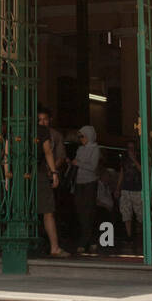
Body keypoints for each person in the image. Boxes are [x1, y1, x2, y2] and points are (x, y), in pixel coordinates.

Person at [37, 107, 68, 257]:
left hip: (44, 174)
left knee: (51, 210)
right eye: (39, 119)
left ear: (50, 120)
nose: (42, 122)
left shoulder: (55, 135)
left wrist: (53, 169)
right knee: (48, 211)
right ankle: (52, 247)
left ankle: (52, 245)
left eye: (45, 119)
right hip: (42, 175)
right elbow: (47, 152)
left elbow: (59, 155)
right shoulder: (40, 132)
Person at [73, 124, 101, 255]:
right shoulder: (80, 149)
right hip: (79, 183)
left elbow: (93, 166)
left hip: (90, 183)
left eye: (82, 136)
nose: (81, 139)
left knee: (89, 211)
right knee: (80, 211)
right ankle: (88, 239)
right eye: (79, 137)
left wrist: (78, 163)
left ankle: (86, 241)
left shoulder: (95, 149)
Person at [116, 137, 143, 250]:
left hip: (137, 189)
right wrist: (118, 188)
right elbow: (121, 173)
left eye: (132, 148)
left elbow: (143, 171)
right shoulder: (124, 160)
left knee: (140, 214)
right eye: (128, 148)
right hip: (126, 189)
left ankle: (141, 235)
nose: (130, 150)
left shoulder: (141, 158)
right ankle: (129, 236)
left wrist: (135, 160)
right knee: (126, 213)